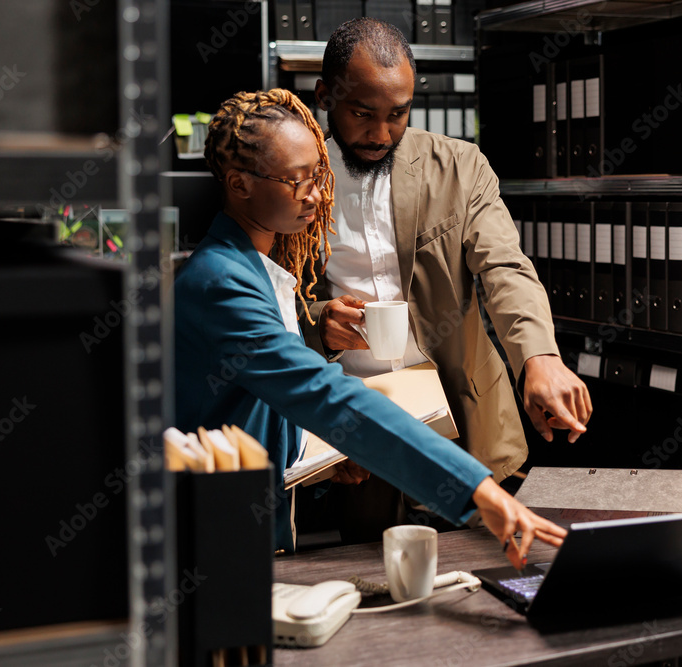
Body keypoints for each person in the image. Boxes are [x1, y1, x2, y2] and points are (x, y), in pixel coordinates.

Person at [173, 88, 566, 564]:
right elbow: (321, 393)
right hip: (219, 544)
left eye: (318, 175)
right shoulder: (221, 284)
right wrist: (478, 491)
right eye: (297, 181)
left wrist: (321, 458)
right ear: (239, 184)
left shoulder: (254, 267)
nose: (317, 195)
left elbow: (268, 405)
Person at [302, 18, 593, 492]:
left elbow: (504, 266)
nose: (381, 134)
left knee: (475, 540)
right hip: (352, 428)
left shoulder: (460, 165)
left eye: (398, 114)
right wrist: (319, 324)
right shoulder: (297, 180)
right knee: (370, 542)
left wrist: (539, 356)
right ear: (324, 96)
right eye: (362, 114)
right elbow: (271, 301)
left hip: (462, 418)